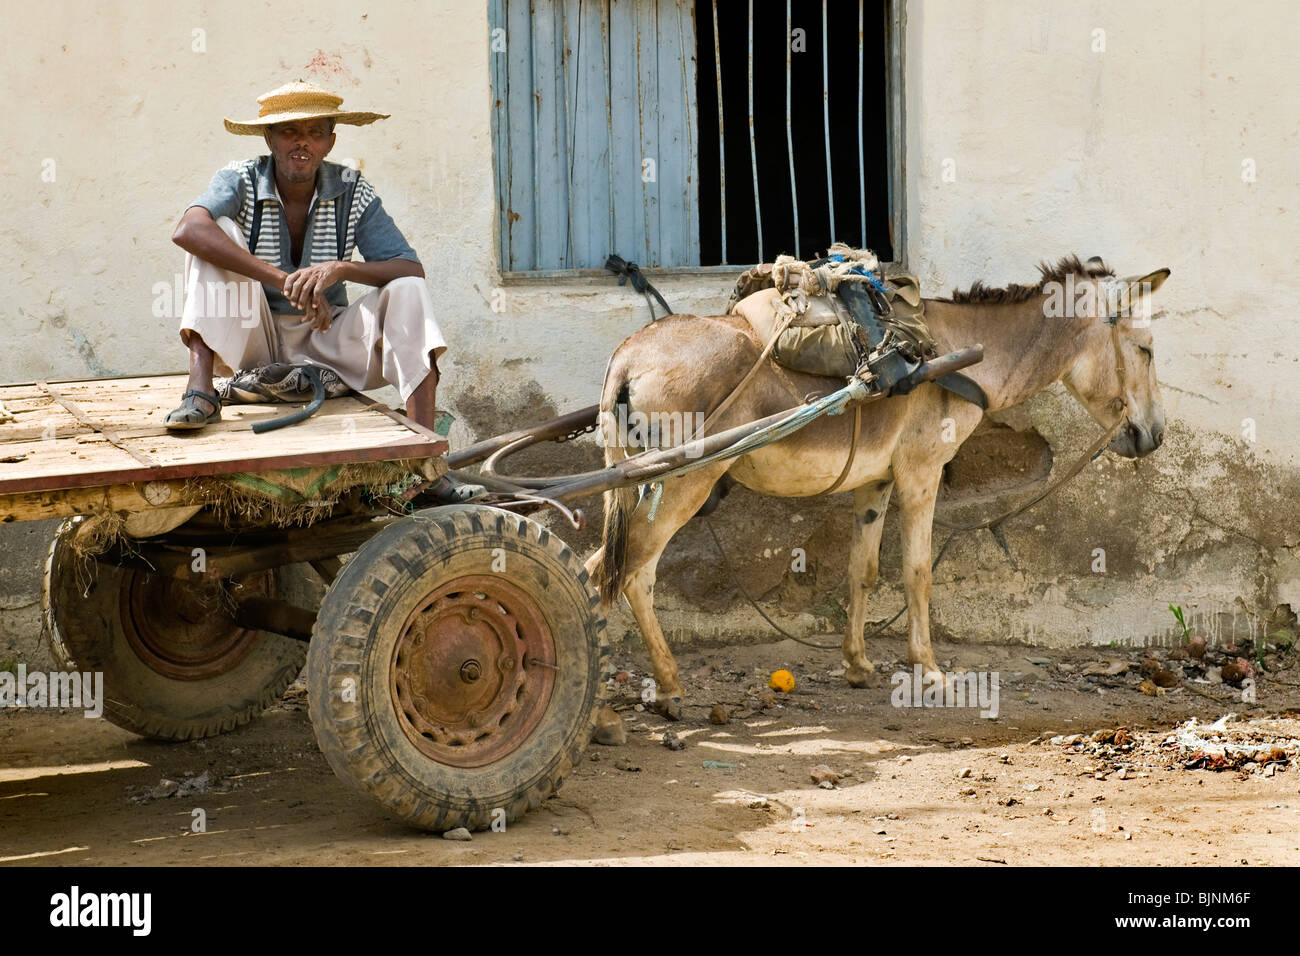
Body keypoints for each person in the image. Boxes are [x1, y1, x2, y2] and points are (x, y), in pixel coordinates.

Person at [167, 79, 475, 500]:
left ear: (330, 142)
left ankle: (424, 462)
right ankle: (200, 393)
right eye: (291, 132)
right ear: (269, 137)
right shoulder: (239, 178)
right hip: (254, 337)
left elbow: (410, 267)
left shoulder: (352, 187)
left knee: (407, 288)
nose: (302, 144)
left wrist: (341, 269)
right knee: (213, 232)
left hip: (326, 339)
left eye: (315, 133)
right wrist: (284, 282)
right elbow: (187, 229)